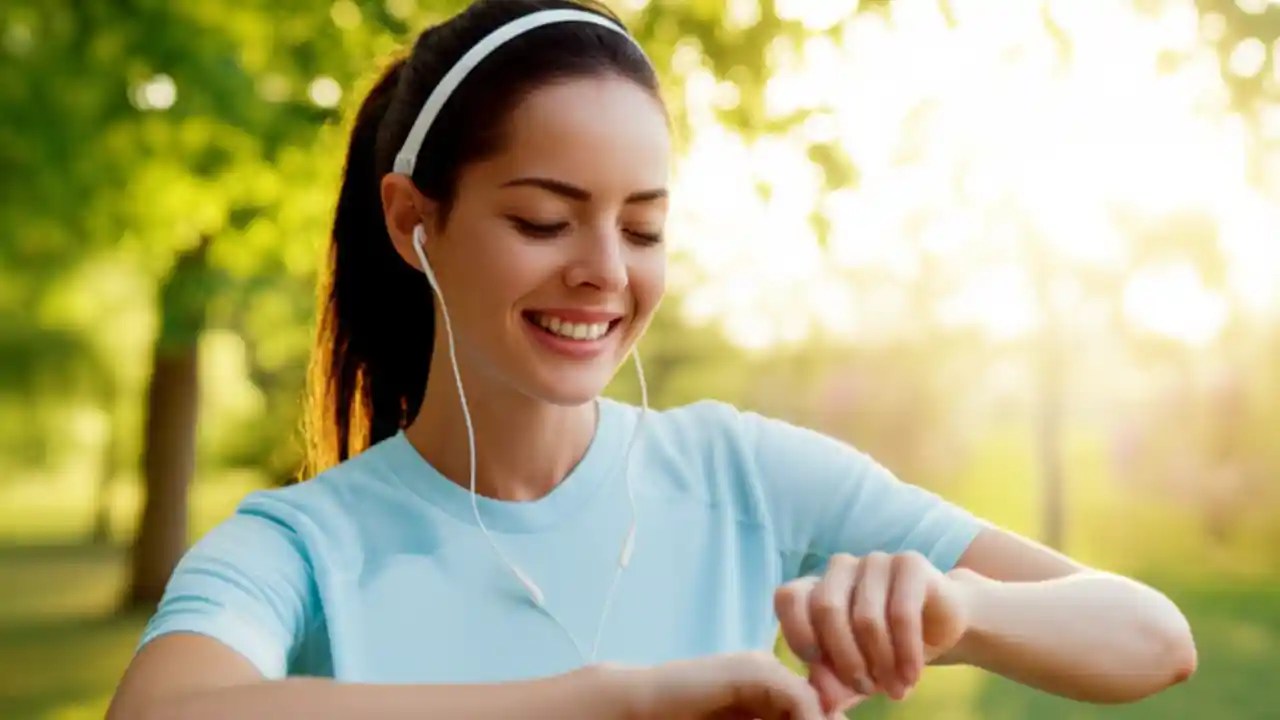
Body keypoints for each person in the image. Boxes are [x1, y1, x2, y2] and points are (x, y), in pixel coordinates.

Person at [107, 1, 1197, 718]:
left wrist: (961, 611)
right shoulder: (305, 544)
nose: (602, 272)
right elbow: (161, 712)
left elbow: (1151, 639)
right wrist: (613, 699)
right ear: (413, 223)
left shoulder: (744, 475)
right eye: (544, 220)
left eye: (640, 229)